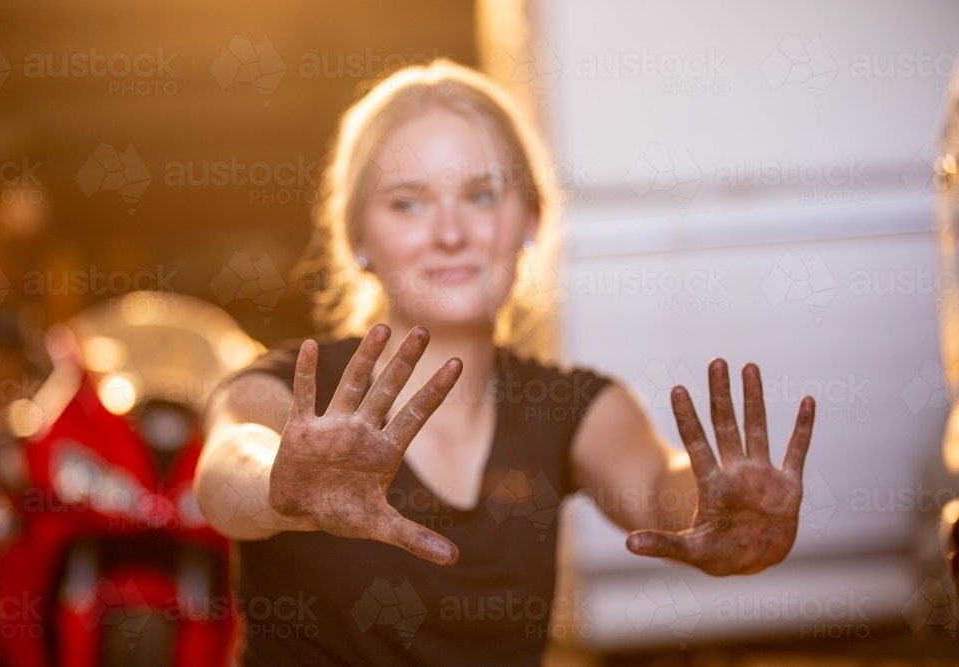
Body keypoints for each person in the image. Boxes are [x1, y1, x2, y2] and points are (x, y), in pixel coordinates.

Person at [193, 60, 815, 666]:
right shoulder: (290, 391)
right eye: (408, 203)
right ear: (356, 237)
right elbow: (227, 472)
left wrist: (719, 511)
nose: (451, 232)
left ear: (531, 221)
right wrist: (283, 490)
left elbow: (657, 488)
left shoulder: (572, 406)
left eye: (482, 195)